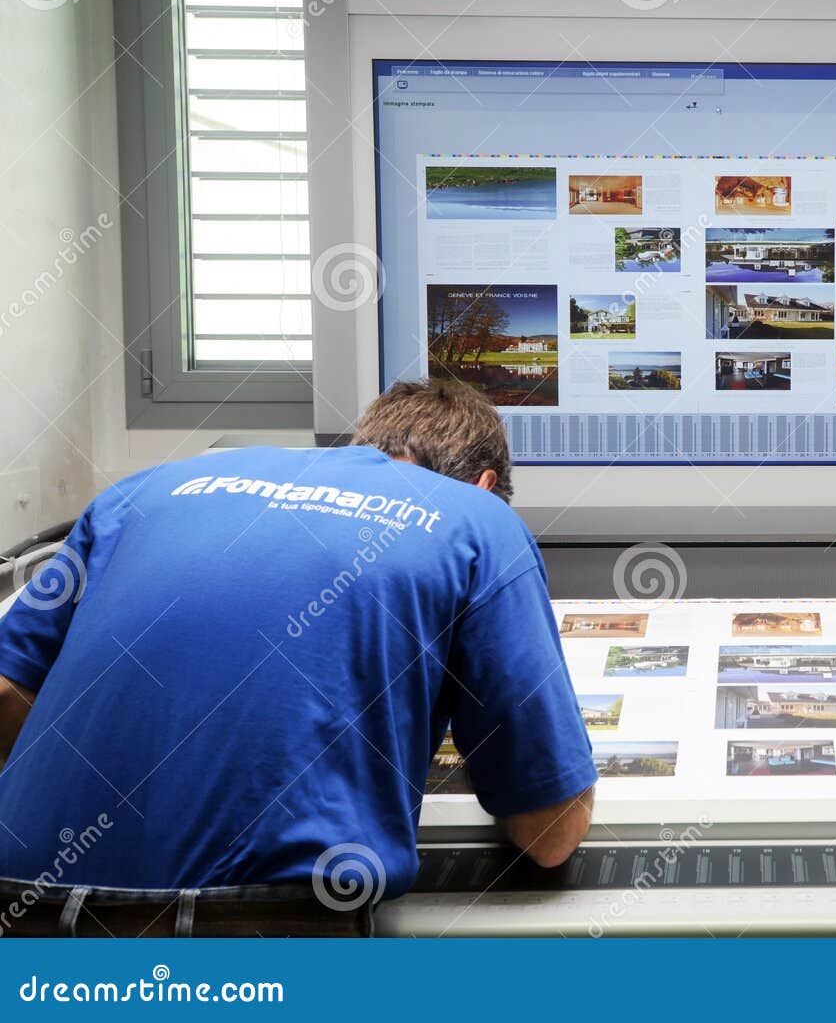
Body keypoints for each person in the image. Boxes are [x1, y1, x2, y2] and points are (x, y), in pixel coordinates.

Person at [0, 380, 594, 931]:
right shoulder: (475, 517)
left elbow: (8, 692)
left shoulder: (144, 489)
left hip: (25, 910)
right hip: (264, 930)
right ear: (486, 484)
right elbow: (551, 829)